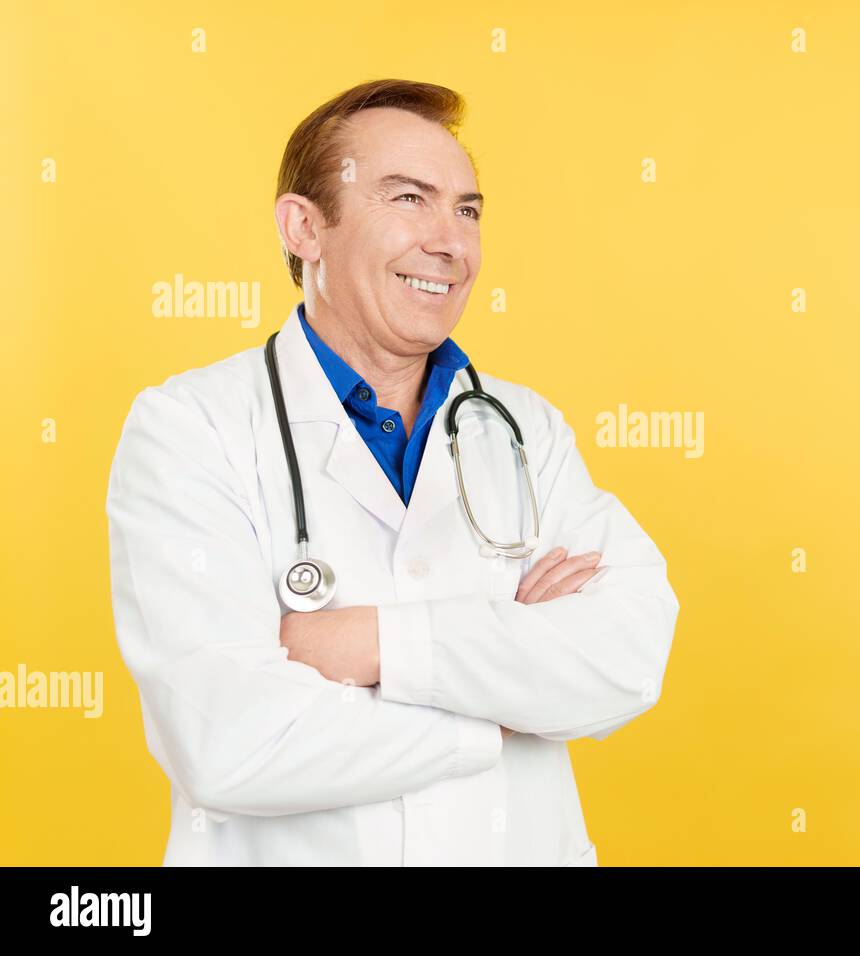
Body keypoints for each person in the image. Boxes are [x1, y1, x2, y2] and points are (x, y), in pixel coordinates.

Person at [105, 79, 680, 866]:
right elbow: (229, 741)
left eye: (468, 210)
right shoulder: (191, 428)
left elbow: (626, 657)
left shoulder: (524, 430)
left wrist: (373, 642)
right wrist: (505, 708)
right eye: (409, 198)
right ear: (304, 227)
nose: (451, 242)